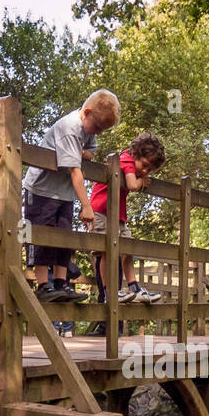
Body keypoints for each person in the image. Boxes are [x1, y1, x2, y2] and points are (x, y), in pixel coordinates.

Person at [22, 90, 121, 303]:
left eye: (102, 130)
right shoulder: (69, 128)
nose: (98, 133)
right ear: (86, 113)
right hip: (41, 190)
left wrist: (79, 151)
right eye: (97, 127)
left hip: (64, 193)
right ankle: (43, 286)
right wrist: (86, 206)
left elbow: (90, 153)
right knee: (41, 236)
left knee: (65, 237)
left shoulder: (88, 131)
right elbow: (75, 170)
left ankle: (60, 284)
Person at [88, 132, 166, 304]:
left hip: (117, 215)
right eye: (144, 165)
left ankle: (134, 288)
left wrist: (141, 176)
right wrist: (142, 182)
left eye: (149, 170)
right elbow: (132, 184)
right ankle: (110, 292)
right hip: (101, 211)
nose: (145, 172)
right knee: (106, 251)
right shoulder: (126, 159)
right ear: (136, 153)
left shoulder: (131, 161)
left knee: (127, 250)